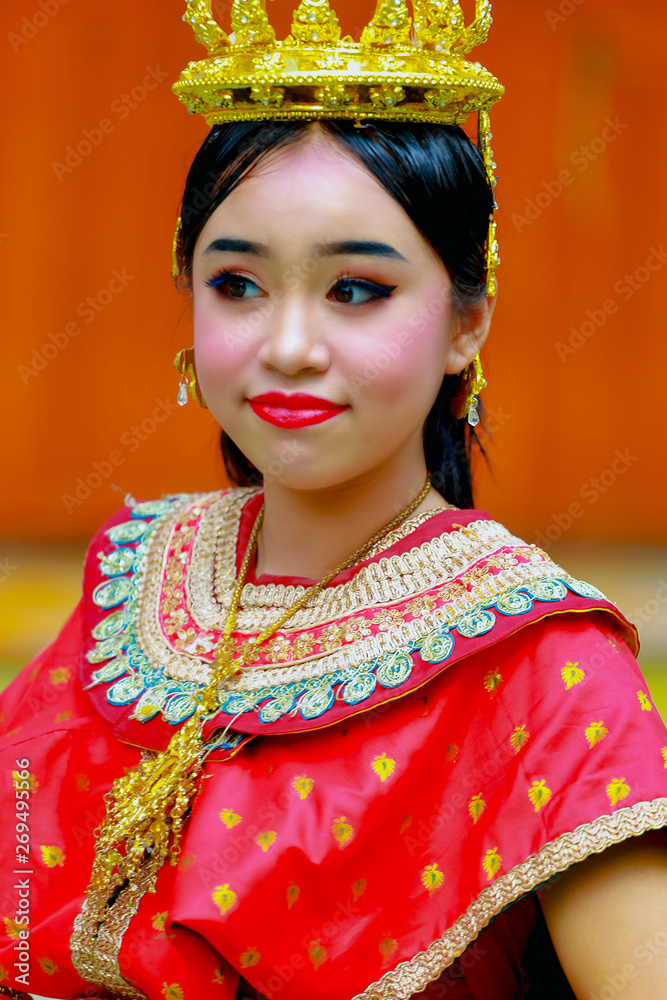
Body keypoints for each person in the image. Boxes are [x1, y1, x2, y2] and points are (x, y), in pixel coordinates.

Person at [1, 2, 667, 999]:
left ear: (465, 322)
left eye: (356, 289)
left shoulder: (548, 668)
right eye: (237, 284)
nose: (288, 345)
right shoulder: (137, 573)